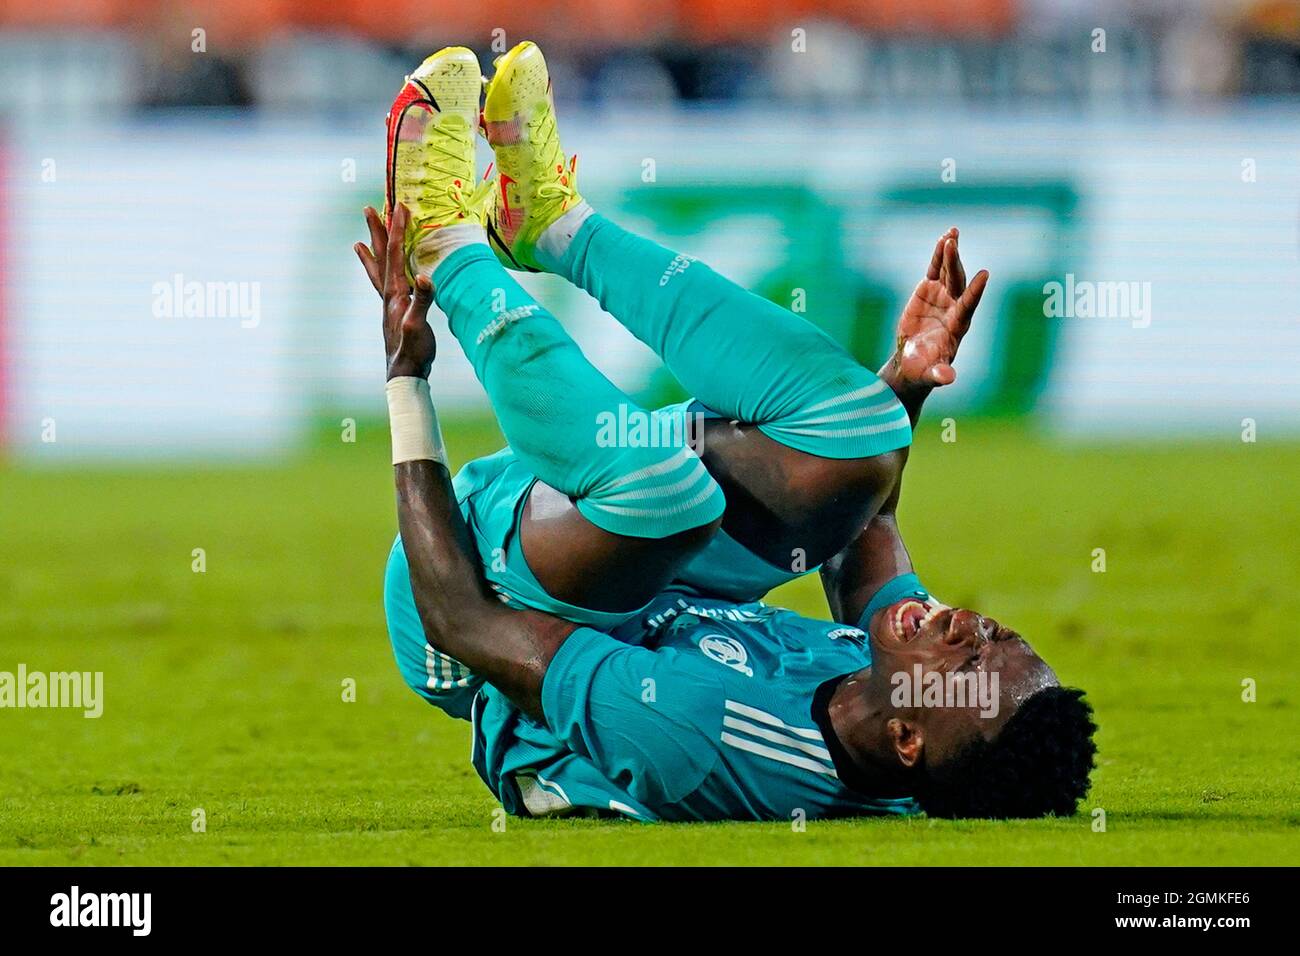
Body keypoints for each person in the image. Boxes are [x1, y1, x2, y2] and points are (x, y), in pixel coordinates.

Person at [354, 42, 1096, 821]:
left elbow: (464, 623)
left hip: (471, 604)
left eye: (968, 657)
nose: (968, 624)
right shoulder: (893, 683)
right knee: (862, 437)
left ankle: (447, 246)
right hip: (653, 572)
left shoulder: (700, 732)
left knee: (666, 499)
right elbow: (864, 517)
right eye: (996, 633)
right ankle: (553, 225)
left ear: (909, 741)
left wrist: (406, 378)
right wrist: (903, 383)